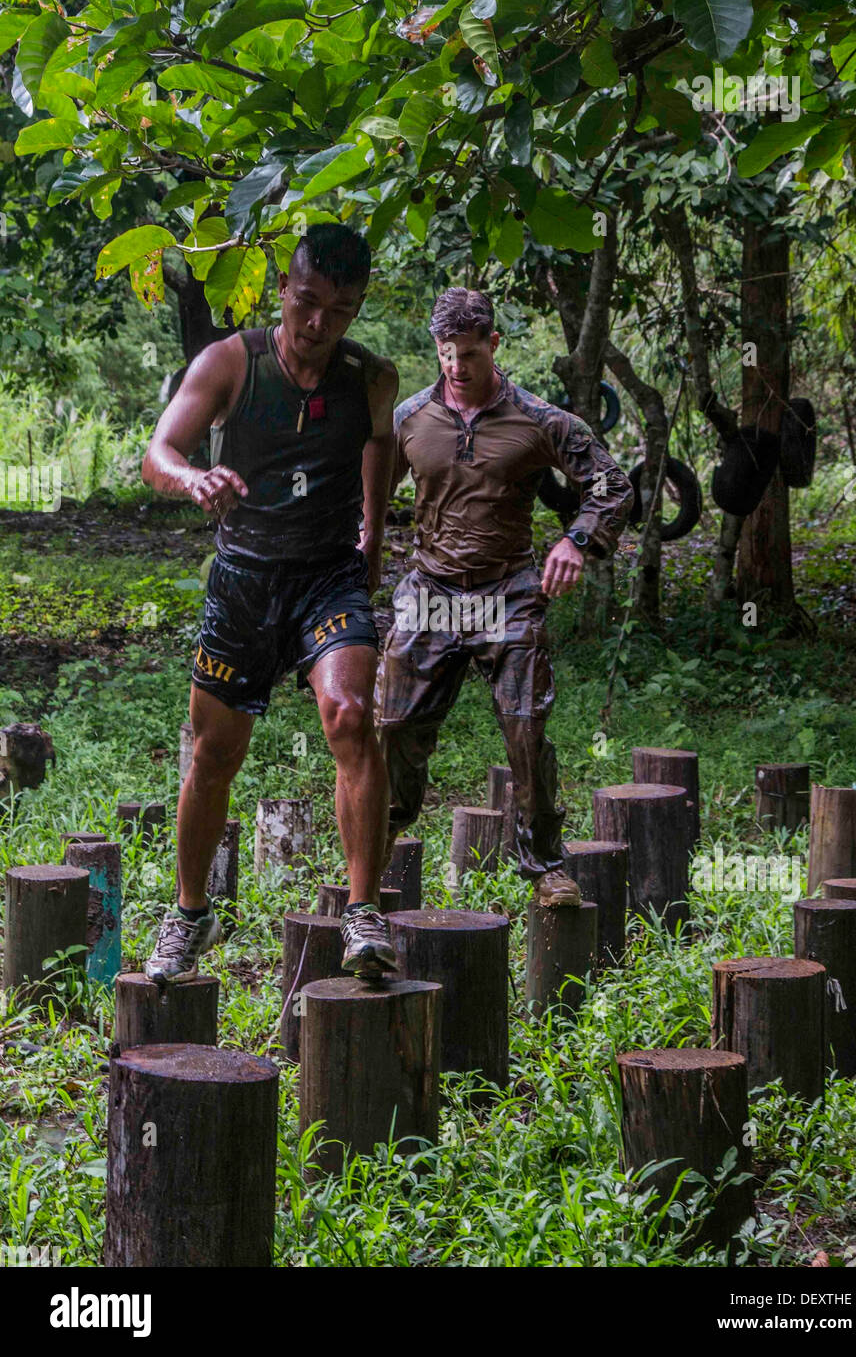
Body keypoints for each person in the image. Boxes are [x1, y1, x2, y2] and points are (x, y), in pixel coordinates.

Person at [141, 223, 399, 983]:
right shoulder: (231, 362)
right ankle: (190, 913)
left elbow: (380, 444)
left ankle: (362, 912)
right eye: (309, 303)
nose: (319, 325)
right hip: (245, 580)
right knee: (214, 754)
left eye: (340, 310)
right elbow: (159, 453)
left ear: (357, 310)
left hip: (328, 576)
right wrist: (194, 481)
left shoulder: (371, 378)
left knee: (352, 716)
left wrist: (374, 533)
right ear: (283, 289)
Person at [376, 288, 633, 906]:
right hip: (431, 590)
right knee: (393, 727)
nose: (457, 367)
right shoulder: (408, 419)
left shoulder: (541, 421)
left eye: (468, 352)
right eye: (445, 354)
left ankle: (545, 864)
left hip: (508, 592)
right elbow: (368, 494)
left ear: (492, 343)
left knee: (525, 728)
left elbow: (613, 485)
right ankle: (378, 847)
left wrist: (576, 540)